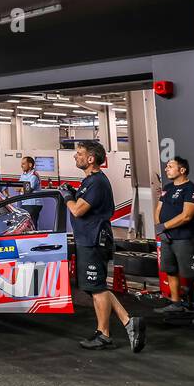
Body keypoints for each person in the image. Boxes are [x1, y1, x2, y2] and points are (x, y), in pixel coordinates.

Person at [62, 140, 146, 352]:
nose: (75, 156)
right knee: (95, 287)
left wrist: (66, 198)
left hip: (94, 240)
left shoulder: (97, 182)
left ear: (91, 159)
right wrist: (73, 193)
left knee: (97, 288)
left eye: (79, 153)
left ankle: (104, 334)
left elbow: (77, 211)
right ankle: (129, 322)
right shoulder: (89, 182)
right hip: (87, 240)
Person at [153, 156, 194, 325]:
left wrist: (164, 227)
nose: (166, 169)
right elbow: (159, 208)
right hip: (167, 239)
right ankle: (176, 303)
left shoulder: (192, 190)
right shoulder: (168, 188)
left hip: (185, 239)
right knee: (170, 270)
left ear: (182, 170)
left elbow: (186, 216)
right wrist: (159, 227)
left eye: (170, 166)